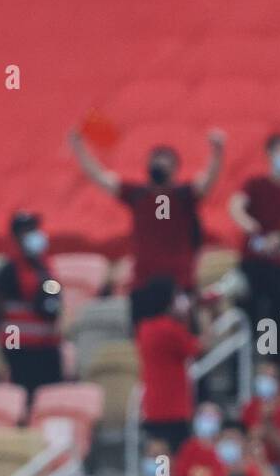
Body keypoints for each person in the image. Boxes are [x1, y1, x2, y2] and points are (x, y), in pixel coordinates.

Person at [68, 126, 225, 327]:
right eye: (155, 159)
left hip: (178, 285)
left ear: (175, 168)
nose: (159, 164)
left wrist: (217, 151)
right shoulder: (137, 194)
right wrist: (79, 147)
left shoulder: (183, 196)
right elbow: (100, 177)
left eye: (165, 160)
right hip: (144, 285)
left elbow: (207, 181)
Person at [228, 133, 280, 334]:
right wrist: (249, 225)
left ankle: (277, 362)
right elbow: (236, 205)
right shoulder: (256, 185)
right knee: (248, 316)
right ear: (270, 154)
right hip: (255, 263)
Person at [0, 210, 64, 396]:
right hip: (22, 350)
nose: (34, 235)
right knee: (25, 395)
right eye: (27, 231)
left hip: (46, 347)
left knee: (51, 395)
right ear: (16, 236)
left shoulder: (45, 267)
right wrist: (11, 348)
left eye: (34, 229)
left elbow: (53, 299)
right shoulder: (8, 270)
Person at [134, 275, 204, 451]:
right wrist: (199, 314)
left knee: (159, 458)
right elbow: (198, 348)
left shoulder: (144, 328)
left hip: (153, 407)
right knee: (179, 457)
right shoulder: (170, 329)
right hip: (174, 409)